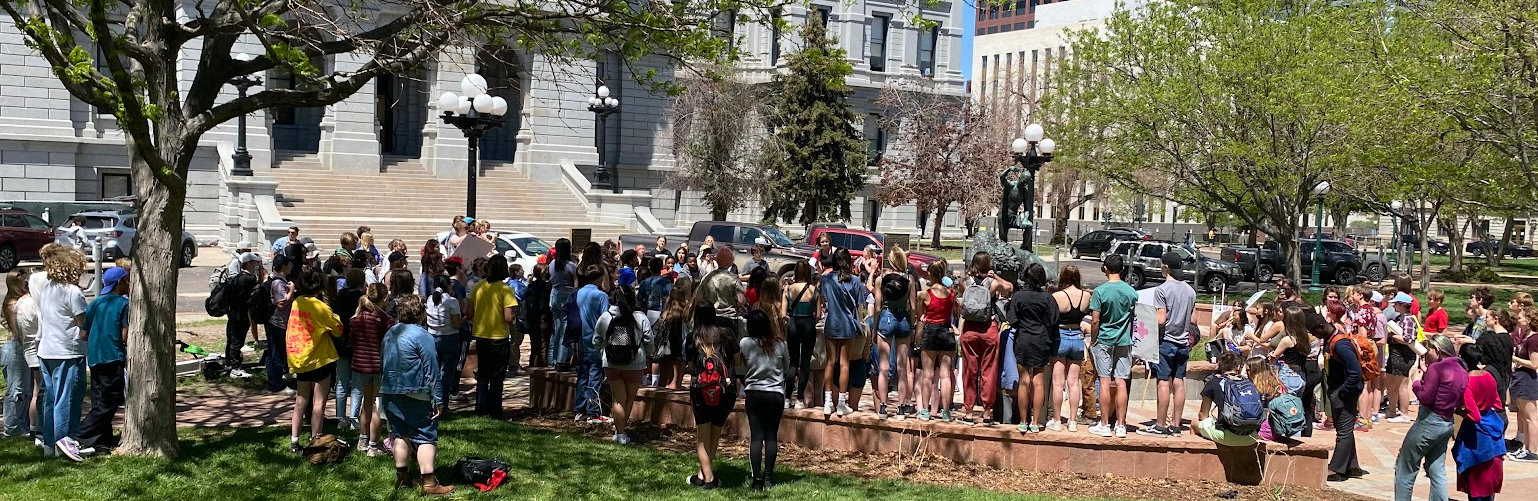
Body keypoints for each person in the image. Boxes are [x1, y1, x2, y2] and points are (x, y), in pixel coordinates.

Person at [377, 295, 453, 495]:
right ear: (420, 313)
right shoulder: (423, 336)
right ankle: (429, 482)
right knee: (426, 434)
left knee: (400, 434)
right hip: (416, 392)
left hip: (390, 391)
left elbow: (382, 362)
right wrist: (438, 399)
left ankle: (402, 478)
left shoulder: (389, 333)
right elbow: (432, 370)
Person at [1393, 335, 1468, 501]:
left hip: (1429, 422)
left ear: (1438, 350)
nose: (1427, 353)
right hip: (1447, 422)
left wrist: (1417, 382)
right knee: (1436, 468)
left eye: (1430, 350)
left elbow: (1426, 398)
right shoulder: (1461, 367)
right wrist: (1429, 373)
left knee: (1405, 467)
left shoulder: (1437, 368)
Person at [32, 245, 89, 461]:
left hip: (47, 350)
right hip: (68, 351)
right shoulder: (72, 292)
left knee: (51, 400)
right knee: (66, 399)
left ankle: (49, 443)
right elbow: (83, 322)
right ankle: (65, 443)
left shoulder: (48, 288)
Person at [285, 266, 343, 454]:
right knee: (319, 402)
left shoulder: (297, 302)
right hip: (318, 359)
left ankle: (294, 441)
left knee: (301, 400)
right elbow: (338, 329)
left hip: (299, 358)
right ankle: (315, 439)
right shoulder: (321, 306)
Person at [1142, 252, 1196, 437]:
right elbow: (1193, 318)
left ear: (1166, 267)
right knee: (1179, 382)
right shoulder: (1190, 291)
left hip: (1166, 341)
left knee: (1163, 382)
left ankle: (1160, 425)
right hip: (1183, 342)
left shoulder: (1162, 290)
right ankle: (1176, 424)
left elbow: (1160, 320)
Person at [75, 266, 129, 453]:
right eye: (127, 280)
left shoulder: (95, 303)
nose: (129, 283)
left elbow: (83, 334)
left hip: (95, 356)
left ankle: (100, 442)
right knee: (110, 402)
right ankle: (78, 436)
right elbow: (125, 336)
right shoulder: (123, 304)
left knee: (99, 400)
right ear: (120, 282)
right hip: (112, 356)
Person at [957, 252, 1012, 425]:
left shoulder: (965, 282)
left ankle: (968, 412)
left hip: (969, 330)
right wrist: (995, 275)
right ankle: (987, 412)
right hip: (989, 328)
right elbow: (1009, 288)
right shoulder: (993, 283)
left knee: (969, 371)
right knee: (989, 371)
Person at [1088, 254, 1138, 438]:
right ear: (1122, 269)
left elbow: (1095, 320)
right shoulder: (1131, 292)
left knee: (1104, 380)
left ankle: (1104, 424)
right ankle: (1120, 424)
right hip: (1124, 340)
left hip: (1104, 339)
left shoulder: (1100, 292)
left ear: (1106, 269)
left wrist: (1093, 340)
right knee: (1121, 381)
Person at [686, 313, 735, 490]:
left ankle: (708, 479)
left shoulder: (693, 338)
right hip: (724, 391)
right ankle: (704, 474)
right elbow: (737, 360)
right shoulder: (726, 334)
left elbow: (691, 367)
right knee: (715, 435)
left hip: (700, 393)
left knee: (701, 439)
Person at [596, 287, 650, 444]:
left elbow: (596, 339)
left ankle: (619, 434)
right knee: (628, 400)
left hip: (611, 363)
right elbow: (649, 340)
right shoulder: (640, 317)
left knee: (618, 399)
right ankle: (621, 433)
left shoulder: (606, 316)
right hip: (635, 363)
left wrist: (602, 353)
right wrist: (647, 354)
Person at [465, 254, 516, 418]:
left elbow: (469, 312)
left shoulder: (478, 287)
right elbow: (508, 317)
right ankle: (495, 410)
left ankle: (480, 409)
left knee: (483, 374)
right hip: (499, 337)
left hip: (481, 335)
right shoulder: (505, 290)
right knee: (497, 376)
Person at [1323, 300, 1369, 482]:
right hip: (1339, 388)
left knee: (1343, 430)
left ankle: (1336, 469)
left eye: (1328, 311)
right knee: (1345, 428)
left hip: (1345, 391)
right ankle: (1352, 465)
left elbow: (1355, 372)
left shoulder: (1339, 339)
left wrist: (1343, 392)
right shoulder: (1334, 334)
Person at [1010, 263, 1058, 433]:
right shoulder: (1048, 298)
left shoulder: (1019, 296)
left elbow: (1012, 320)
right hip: (1041, 340)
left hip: (1023, 339)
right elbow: (1053, 321)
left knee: (1023, 381)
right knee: (1038, 382)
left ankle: (1023, 421)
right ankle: (1036, 422)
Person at [820, 248, 868, 417]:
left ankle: (827, 401)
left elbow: (823, 300)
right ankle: (841, 402)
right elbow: (859, 306)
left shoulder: (826, 279)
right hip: (848, 325)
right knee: (844, 364)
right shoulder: (854, 281)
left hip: (831, 323)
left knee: (830, 362)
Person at [1453, 344, 1505, 501]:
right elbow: (1497, 403)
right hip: (1494, 429)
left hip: (1477, 436)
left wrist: (1459, 411)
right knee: (1489, 484)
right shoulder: (1489, 376)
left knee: (1476, 484)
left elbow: (1474, 416)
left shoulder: (1467, 381)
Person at [871, 247, 917, 419]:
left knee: (883, 366)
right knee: (902, 367)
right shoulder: (910, 279)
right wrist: (912, 324)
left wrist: (875, 327)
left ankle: (883, 407)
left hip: (886, 317)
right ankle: (901, 407)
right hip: (903, 319)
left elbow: (877, 306)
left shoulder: (881, 279)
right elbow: (912, 306)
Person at [350, 284, 393, 456]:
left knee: (366, 403)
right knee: (378, 406)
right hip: (378, 366)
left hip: (361, 366)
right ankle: (373, 446)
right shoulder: (385, 319)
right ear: (383, 299)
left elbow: (352, 341)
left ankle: (363, 439)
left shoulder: (357, 317)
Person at [1049, 265, 1090, 432]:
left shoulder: (1057, 296)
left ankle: (1057, 420)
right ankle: (1072, 421)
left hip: (1061, 335)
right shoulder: (1086, 295)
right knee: (1074, 383)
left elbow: (1051, 318)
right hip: (1078, 337)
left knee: (1058, 383)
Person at [917, 261, 958, 421]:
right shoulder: (951, 293)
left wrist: (918, 338)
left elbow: (921, 316)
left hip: (931, 332)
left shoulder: (925, 294)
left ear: (930, 274)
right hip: (946, 331)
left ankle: (925, 410)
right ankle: (946, 411)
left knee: (927, 374)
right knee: (945, 374)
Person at [1190, 351, 1258, 447]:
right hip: (1252, 436)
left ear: (1220, 366)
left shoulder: (1214, 382)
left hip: (1228, 436)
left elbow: (1203, 415)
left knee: (1194, 424)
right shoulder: (1248, 383)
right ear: (1238, 367)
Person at [2, 269, 38, 439]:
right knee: (17, 389)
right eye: (24, 282)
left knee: (27, 388)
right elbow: (17, 330)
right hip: (16, 348)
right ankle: (12, 428)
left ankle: (22, 425)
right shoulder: (12, 303)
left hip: (24, 347)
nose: (26, 285)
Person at [574, 264, 611, 423]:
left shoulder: (580, 292)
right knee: (595, 376)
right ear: (600, 278)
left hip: (583, 338)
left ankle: (580, 409)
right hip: (597, 341)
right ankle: (593, 412)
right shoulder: (601, 296)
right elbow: (605, 319)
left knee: (583, 375)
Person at [331, 268, 367, 431]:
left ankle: (341, 417)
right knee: (357, 382)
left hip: (340, 342)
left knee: (342, 382)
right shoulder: (362, 299)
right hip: (358, 343)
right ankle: (354, 417)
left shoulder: (339, 298)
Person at [222, 253, 263, 378]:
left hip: (233, 313)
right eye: (256, 263)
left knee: (231, 340)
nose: (257, 265)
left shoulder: (237, 278)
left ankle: (229, 363)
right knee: (237, 342)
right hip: (242, 315)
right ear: (249, 263)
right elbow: (260, 288)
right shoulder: (249, 279)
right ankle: (235, 368)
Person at [784, 261, 819, 409]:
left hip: (793, 324)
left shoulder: (788, 289)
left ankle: (787, 397)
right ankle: (799, 399)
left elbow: (783, 314)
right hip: (808, 325)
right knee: (805, 363)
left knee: (793, 362)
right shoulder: (814, 290)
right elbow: (817, 314)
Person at [1384, 292, 1419, 424]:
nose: (1393, 305)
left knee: (1402, 385)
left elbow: (1408, 338)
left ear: (1403, 305)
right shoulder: (1399, 318)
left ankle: (1404, 413)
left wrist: (1392, 336)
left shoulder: (1408, 319)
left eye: (1396, 303)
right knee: (1391, 383)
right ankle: (1391, 409)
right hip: (1394, 354)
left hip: (1403, 356)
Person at [264, 256, 296, 394]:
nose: (291, 267)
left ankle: (276, 379)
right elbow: (281, 303)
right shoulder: (277, 283)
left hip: (278, 322)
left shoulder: (280, 280)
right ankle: (276, 384)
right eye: (289, 264)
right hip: (276, 323)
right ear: (283, 266)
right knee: (275, 353)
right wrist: (291, 292)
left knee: (274, 352)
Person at [1512, 309, 1538, 462]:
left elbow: (1535, 364)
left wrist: (1514, 358)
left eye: (1521, 317)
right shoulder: (1525, 336)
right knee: (1523, 415)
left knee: (1531, 417)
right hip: (1520, 378)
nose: (1518, 319)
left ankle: (1533, 450)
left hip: (1528, 379)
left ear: (1528, 320)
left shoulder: (1534, 339)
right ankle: (1525, 447)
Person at [548, 239, 578, 368]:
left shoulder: (552, 264)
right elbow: (576, 283)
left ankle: (552, 358)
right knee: (565, 329)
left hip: (554, 294)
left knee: (556, 327)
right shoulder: (571, 265)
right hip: (567, 295)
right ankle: (561, 359)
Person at [524, 263, 552, 368]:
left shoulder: (531, 286)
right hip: (543, 318)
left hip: (532, 319)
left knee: (534, 345)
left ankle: (533, 366)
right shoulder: (546, 286)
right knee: (544, 344)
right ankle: (541, 367)